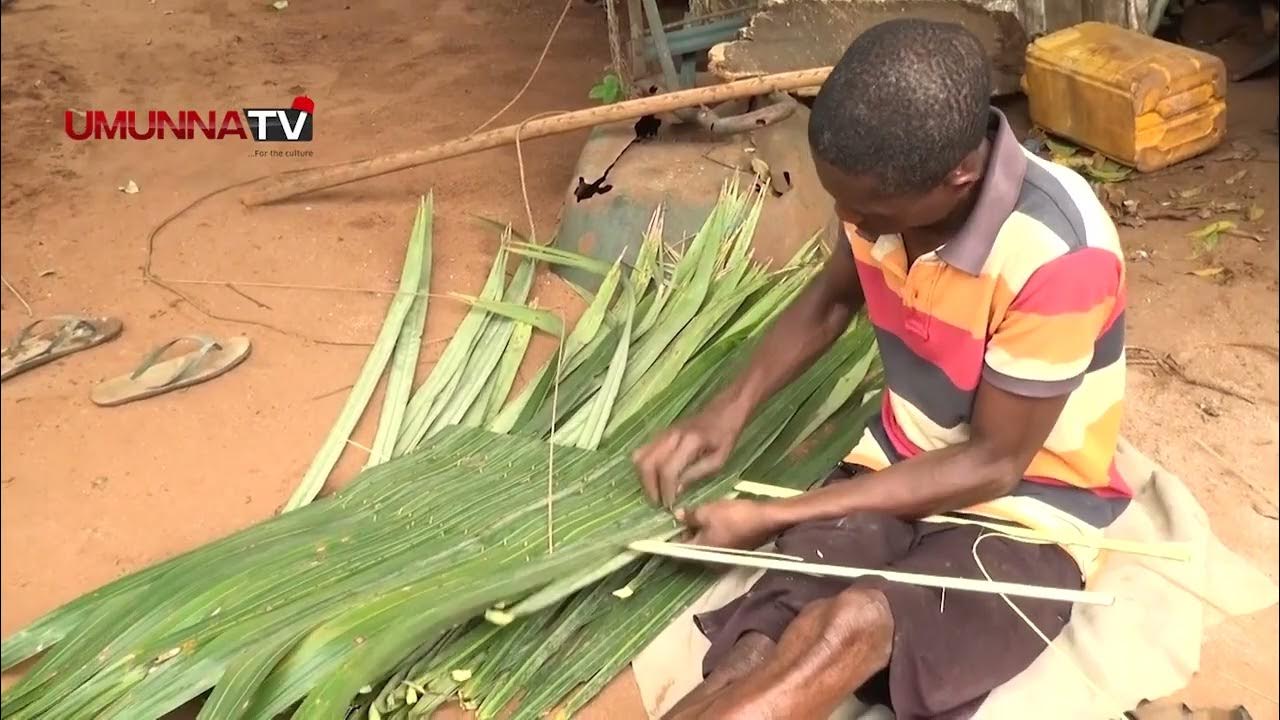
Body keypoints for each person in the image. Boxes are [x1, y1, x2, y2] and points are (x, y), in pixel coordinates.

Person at [631, 17, 1130, 720]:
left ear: (959, 177)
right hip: (889, 468)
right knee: (756, 646)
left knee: (854, 624)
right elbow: (833, 299)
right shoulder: (882, 190)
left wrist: (778, 515)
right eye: (841, 202)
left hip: (1027, 515)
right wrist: (727, 411)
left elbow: (993, 465)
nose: (851, 222)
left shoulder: (1060, 253)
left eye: (868, 210)